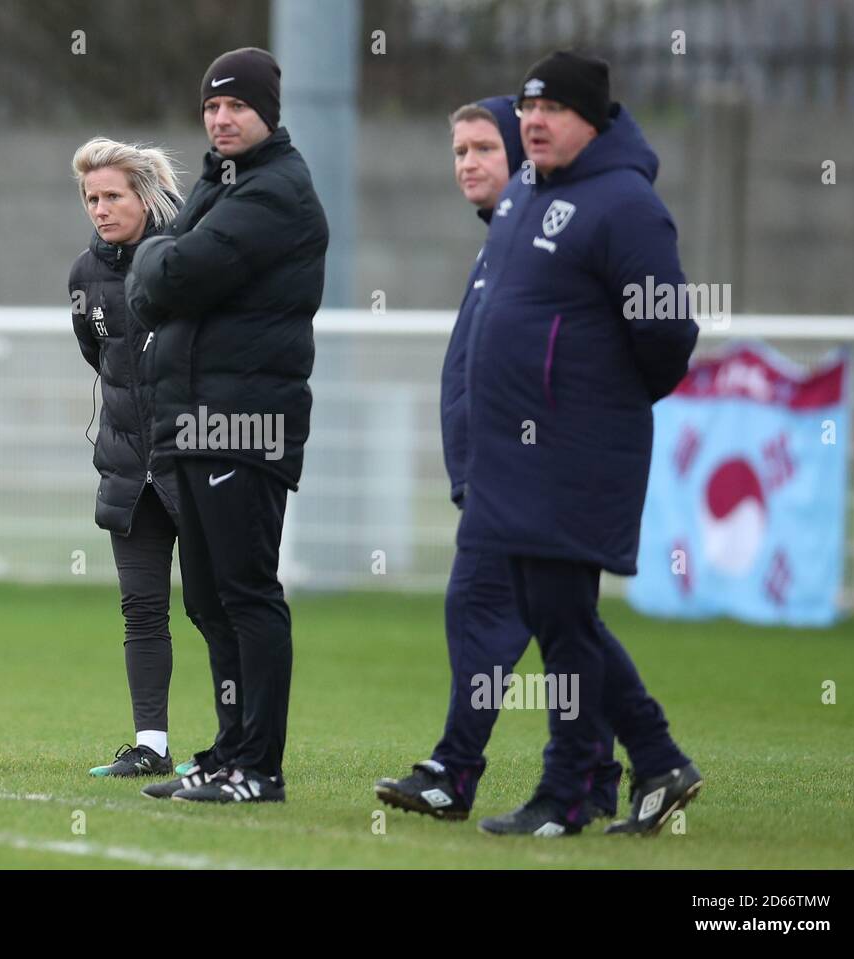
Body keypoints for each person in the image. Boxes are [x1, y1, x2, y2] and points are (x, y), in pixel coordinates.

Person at [459, 51, 703, 836]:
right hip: (513, 450)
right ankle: (658, 758)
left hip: (577, 449)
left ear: (591, 121)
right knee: (559, 612)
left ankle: (566, 791)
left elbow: (667, 332)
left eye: (552, 110)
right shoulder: (527, 188)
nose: (532, 122)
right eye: (527, 110)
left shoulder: (626, 205)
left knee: (564, 617)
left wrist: (595, 404)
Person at [374, 96, 622, 822]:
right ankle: (602, 773)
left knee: (483, 608)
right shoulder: (509, 240)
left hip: (527, 477)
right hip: (502, 474)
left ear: (524, 156)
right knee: (565, 624)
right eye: (459, 152)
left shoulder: (546, 241)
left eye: (484, 148)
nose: (468, 164)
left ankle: (455, 768)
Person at [126, 47, 328, 803]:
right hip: (195, 421)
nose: (220, 117)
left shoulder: (276, 190)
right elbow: (162, 283)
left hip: (245, 424)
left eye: (235, 105)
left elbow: (170, 276)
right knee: (207, 600)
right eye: (211, 107)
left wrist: (154, 253)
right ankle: (229, 749)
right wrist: (161, 262)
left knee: (245, 592)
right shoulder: (224, 182)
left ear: (267, 111)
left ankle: (260, 766)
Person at [68, 137, 187, 777]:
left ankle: (240, 749)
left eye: (113, 195)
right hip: (128, 469)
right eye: (92, 197)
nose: (101, 208)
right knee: (141, 610)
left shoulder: (189, 258)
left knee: (217, 607)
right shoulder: (84, 276)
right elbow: (102, 358)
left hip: (193, 463)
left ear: (145, 195)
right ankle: (152, 746)